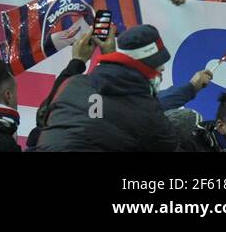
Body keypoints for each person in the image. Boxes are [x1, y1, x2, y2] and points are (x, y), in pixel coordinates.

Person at [35, 25, 180, 152]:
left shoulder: (73, 82)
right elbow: (168, 144)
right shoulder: (146, 111)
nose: (162, 69)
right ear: (145, 67)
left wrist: (77, 62)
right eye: (158, 63)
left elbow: (42, 117)